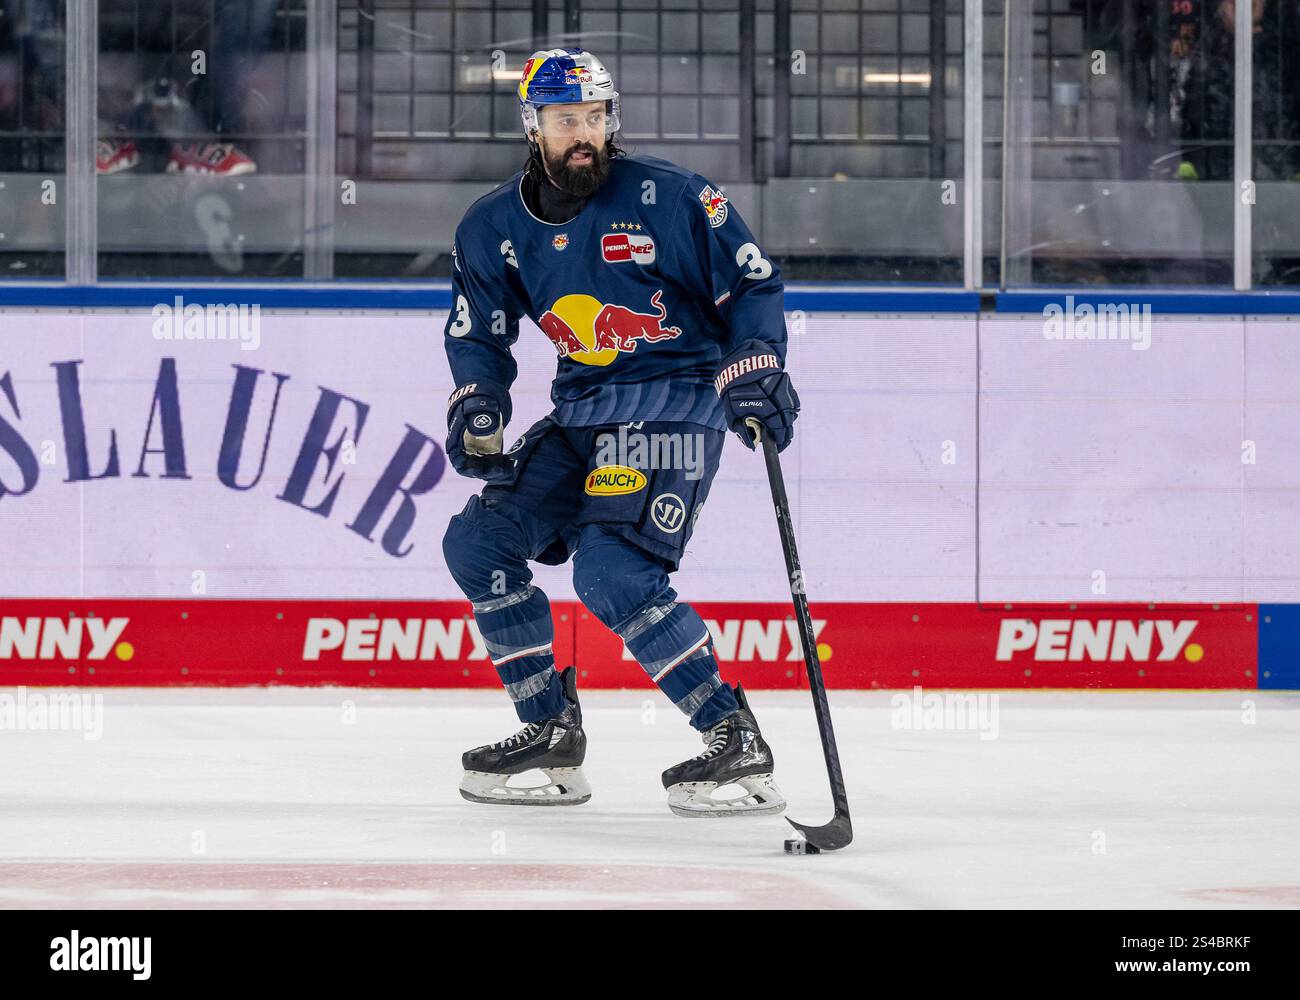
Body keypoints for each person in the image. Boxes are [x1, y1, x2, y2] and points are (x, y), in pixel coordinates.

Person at [440, 48, 799, 818]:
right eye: (567, 120)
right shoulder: (492, 226)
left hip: (673, 403)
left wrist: (757, 361)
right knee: (478, 544)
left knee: (610, 571)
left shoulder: (674, 199)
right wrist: (479, 400)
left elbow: (752, 286)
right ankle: (549, 733)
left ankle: (732, 736)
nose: (584, 136)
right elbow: (479, 334)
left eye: (596, 118)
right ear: (533, 127)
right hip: (582, 411)